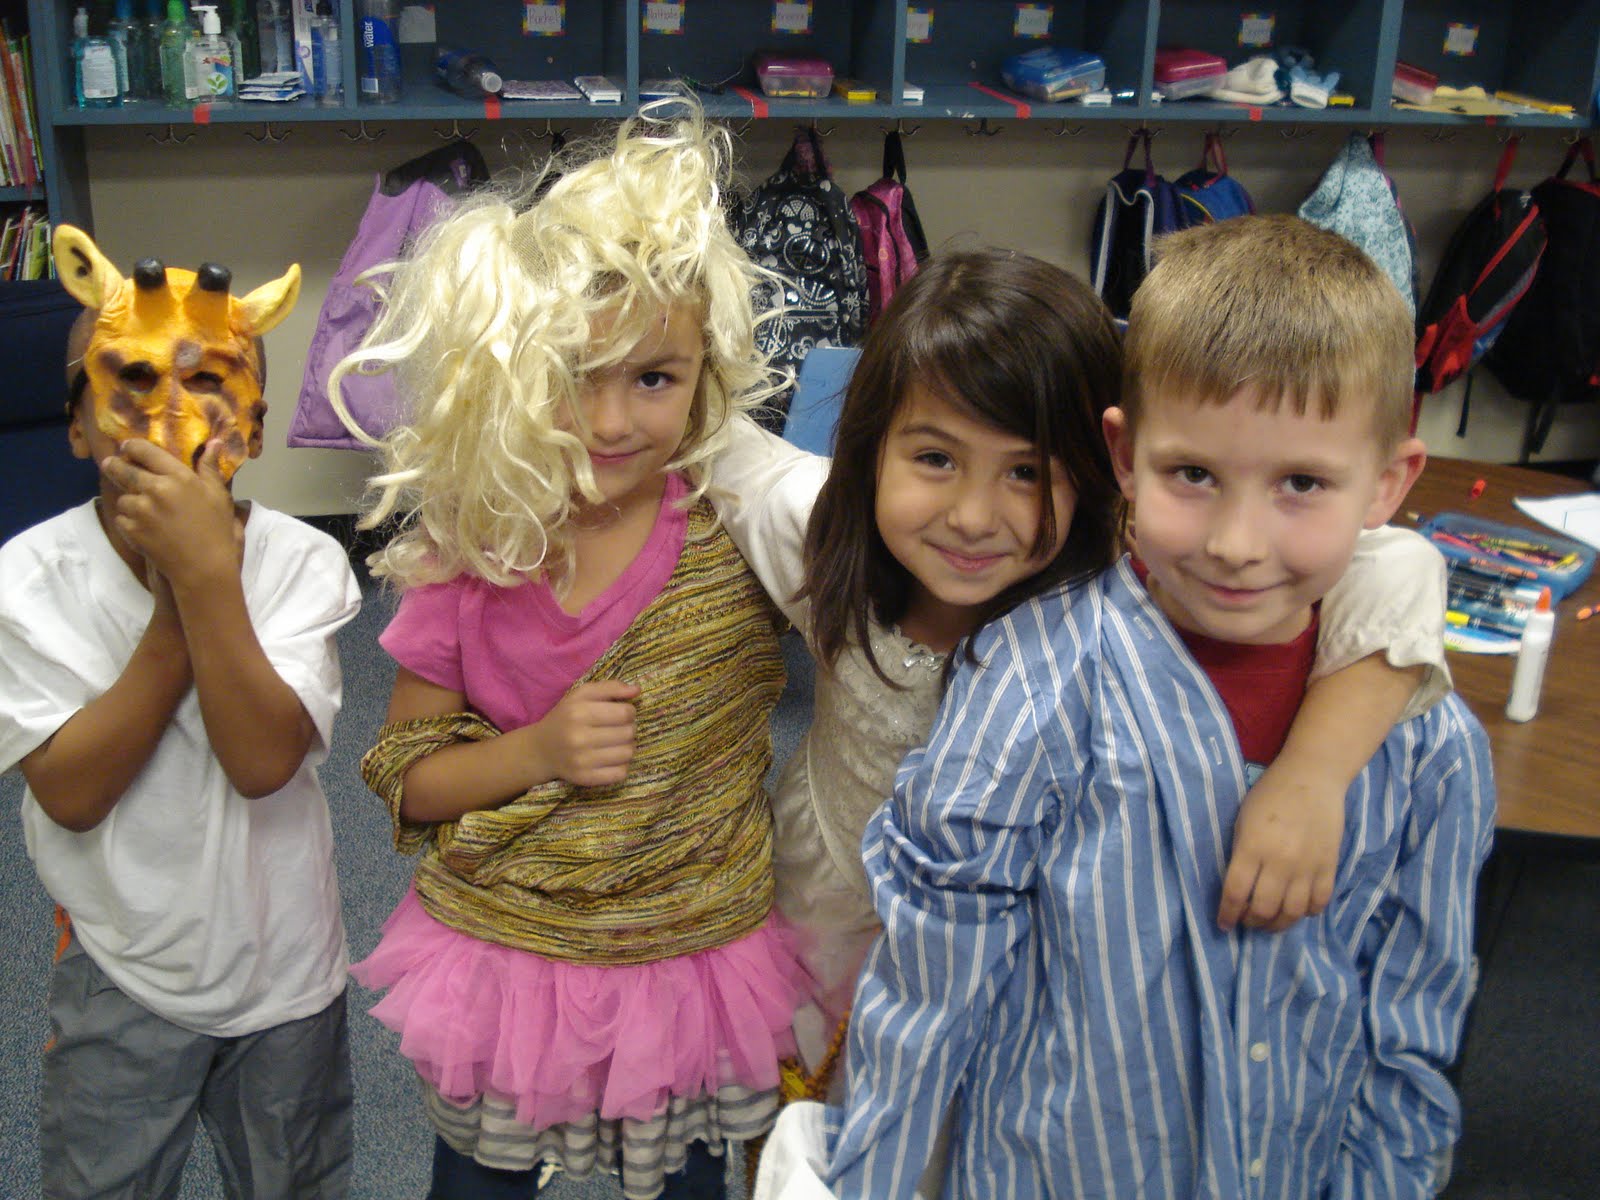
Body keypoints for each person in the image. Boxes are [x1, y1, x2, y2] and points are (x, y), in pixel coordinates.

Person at [759, 215, 1495, 1199]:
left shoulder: (1422, 742)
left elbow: (1410, 1016)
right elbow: (932, 997)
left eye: (1300, 484)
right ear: (1125, 456)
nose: (1235, 541)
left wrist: (1317, 772)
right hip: (956, 1067)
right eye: (1193, 475)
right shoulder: (1021, 674)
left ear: (1389, 482)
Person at [334, 105, 808, 1200]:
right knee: (479, 1184)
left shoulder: (739, 535)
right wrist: (536, 751)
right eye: (570, 373)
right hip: (509, 949)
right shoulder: (470, 545)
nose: (608, 421)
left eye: (654, 378)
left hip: (685, 948)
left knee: (685, 1183)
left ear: (707, 375)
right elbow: (406, 775)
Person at [0, 227, 359, 1198]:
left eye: (210, 381)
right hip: (122, 971)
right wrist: (179, 600)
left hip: (285, 973)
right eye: (133, 379)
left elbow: (260, 761)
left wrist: (212, 579)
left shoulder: (302, 564)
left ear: (253, 419)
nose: (171, 410)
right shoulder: (28, 581)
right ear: (75, 426)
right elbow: (71, 793)